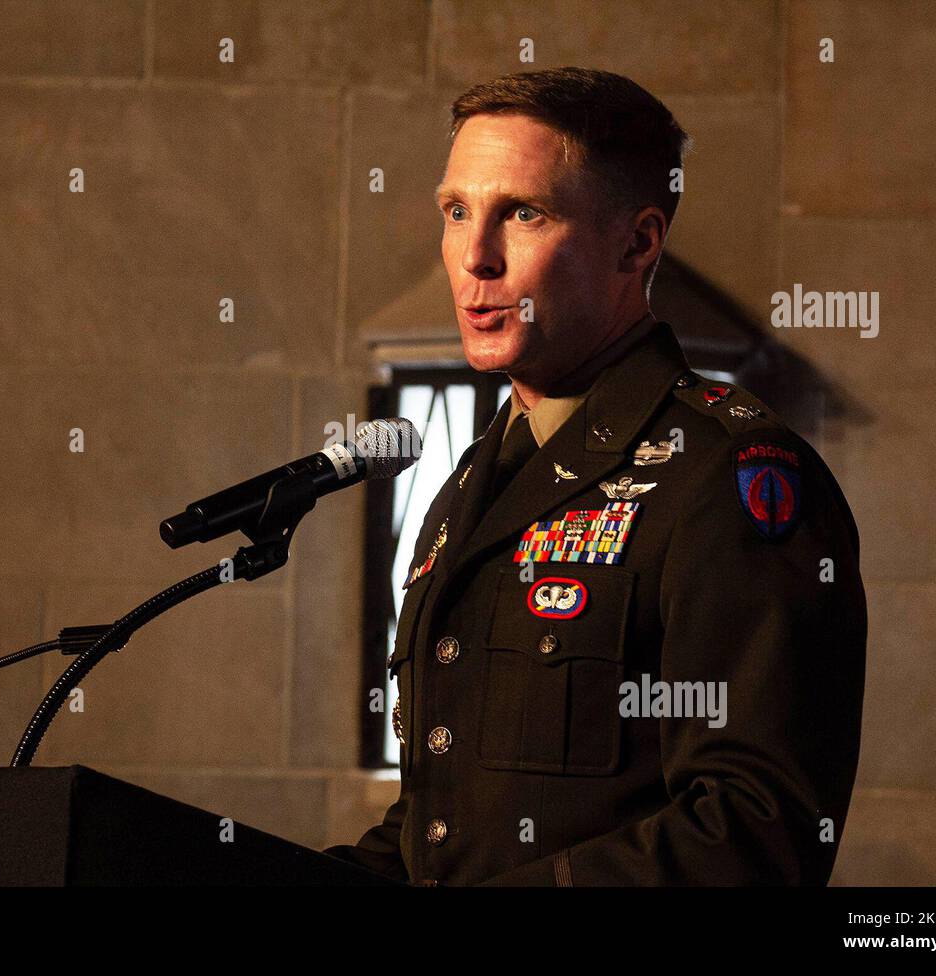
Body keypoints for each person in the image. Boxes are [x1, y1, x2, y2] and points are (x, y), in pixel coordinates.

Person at [323, 67, 867, 885]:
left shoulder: (725, 476)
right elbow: (447, 828)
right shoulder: (471, 485)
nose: (476, 258)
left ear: (636, 243)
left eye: (525, 214)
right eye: (457, 210)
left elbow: (760, 832)